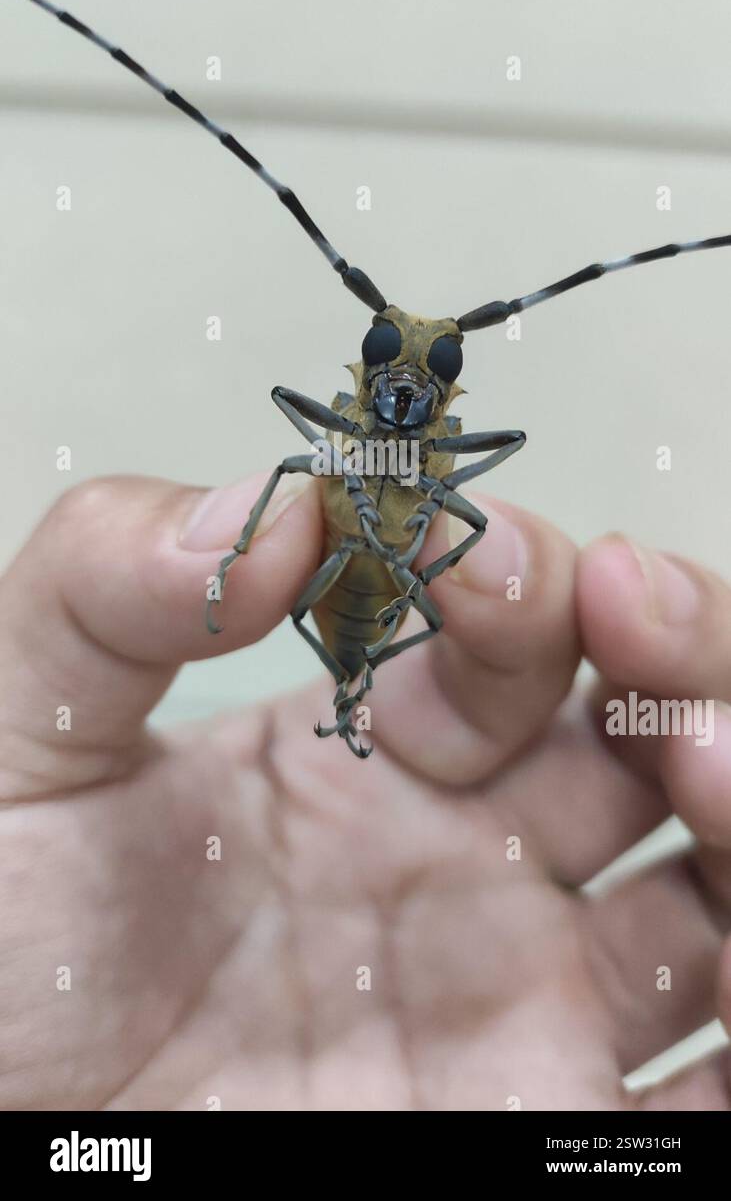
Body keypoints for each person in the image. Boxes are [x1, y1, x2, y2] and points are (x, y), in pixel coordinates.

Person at [0, 471, 728, 1111]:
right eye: (392, 357)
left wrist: (421, 568)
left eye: (434, 367)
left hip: (389, 580)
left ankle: (356, 684)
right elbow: (299, 461)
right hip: (343, 577)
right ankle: (354, 687)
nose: (407, 383)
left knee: (455, 585)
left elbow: (469, 513)